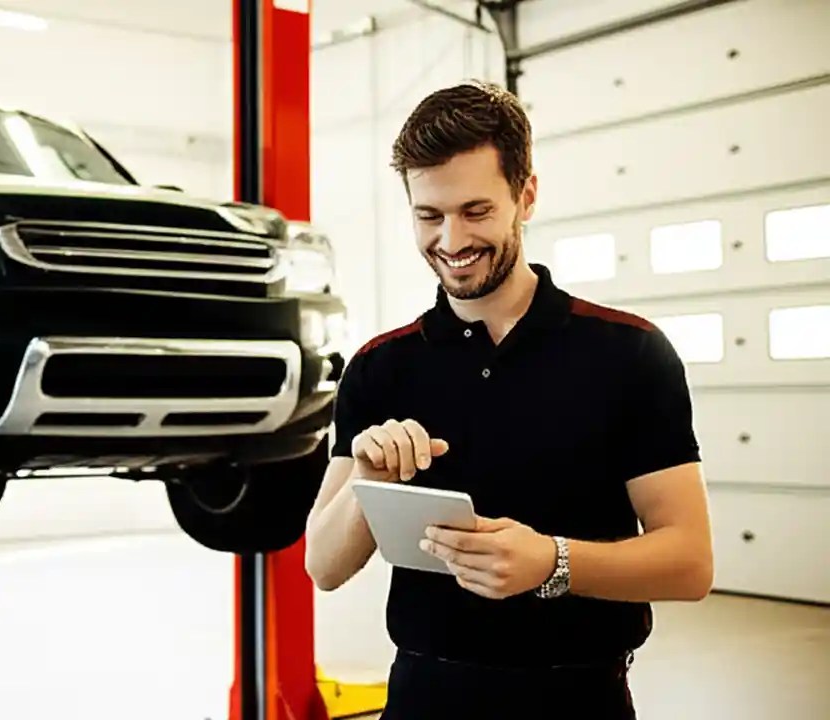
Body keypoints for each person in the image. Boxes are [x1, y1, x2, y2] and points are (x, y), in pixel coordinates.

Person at [303, 80, 715, 719]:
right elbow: (324, 567)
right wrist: (367, 478)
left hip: (579, 699)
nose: (451, 240)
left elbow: (689, 562)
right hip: (422, 698)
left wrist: (552, 562)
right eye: (428, 215)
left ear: (526, 196)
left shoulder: (628, 353)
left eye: (476, 211)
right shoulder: (380, 367)